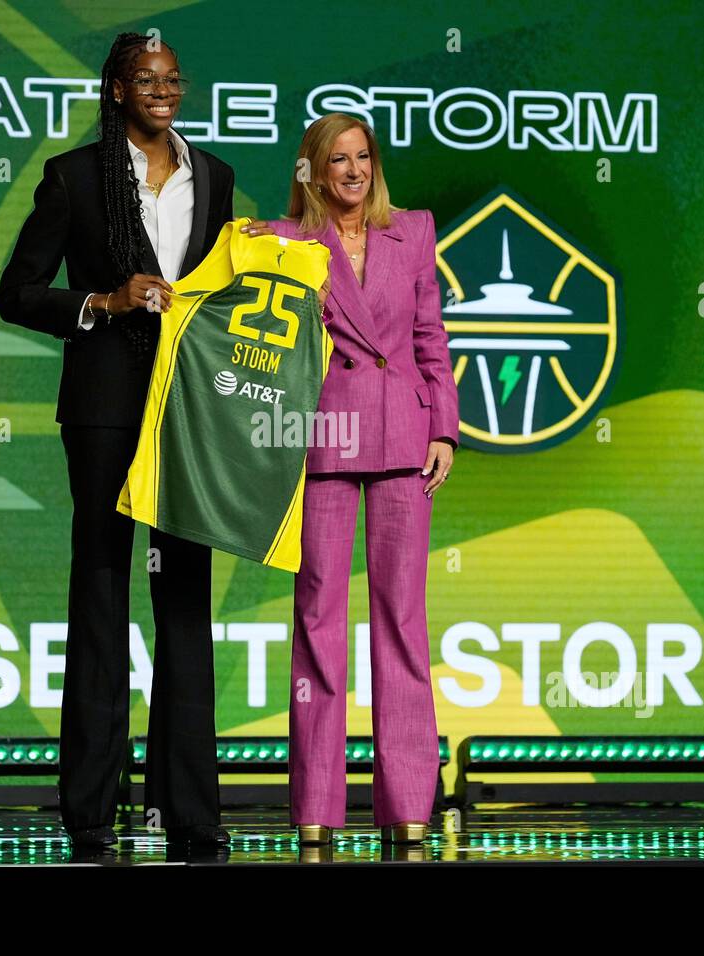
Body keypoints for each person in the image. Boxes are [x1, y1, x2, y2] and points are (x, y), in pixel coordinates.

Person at [0, 32, 276, 851]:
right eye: (146, 80)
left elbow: (227, 294)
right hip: (105, 408)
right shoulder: (73, 178)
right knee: (103, 593)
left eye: (174, 79)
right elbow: (17, 293)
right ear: (116, 90)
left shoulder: (214, 177)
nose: (164, 90)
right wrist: (105, 303)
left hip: (191, 410)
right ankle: (89, 812)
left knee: (185, 599)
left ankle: (192, 813)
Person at [271, 114, 459, 845]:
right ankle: (316, 810)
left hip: (406, 435)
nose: (352, 170)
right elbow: (228, 274)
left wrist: (444, 425)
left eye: (362, 157)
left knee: (402, 619)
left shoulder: (413, 229)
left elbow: (429, 335)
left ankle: (408, 802)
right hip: (325, 434)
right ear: (312, 172)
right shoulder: (287, 242)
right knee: (318, 619)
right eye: (336, 160)